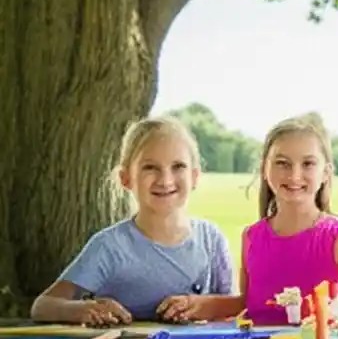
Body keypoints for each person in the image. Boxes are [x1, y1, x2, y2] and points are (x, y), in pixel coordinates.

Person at [31, 117, 235, 325]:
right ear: (125, 178)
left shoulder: (211, 239)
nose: (165, 180)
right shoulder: (109, 246)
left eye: (178, 166)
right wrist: (84, 309)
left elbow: (235, 306)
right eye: (150, 167)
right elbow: (43, 305)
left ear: (195, 176)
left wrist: (204, 305)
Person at [241, 115, 338, 325]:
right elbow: (247, 305)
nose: (294, 175)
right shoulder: (251, 237)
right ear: (265, 168)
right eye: (282, 163)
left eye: (308, 163)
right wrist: (198, 305)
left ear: (326, 173)